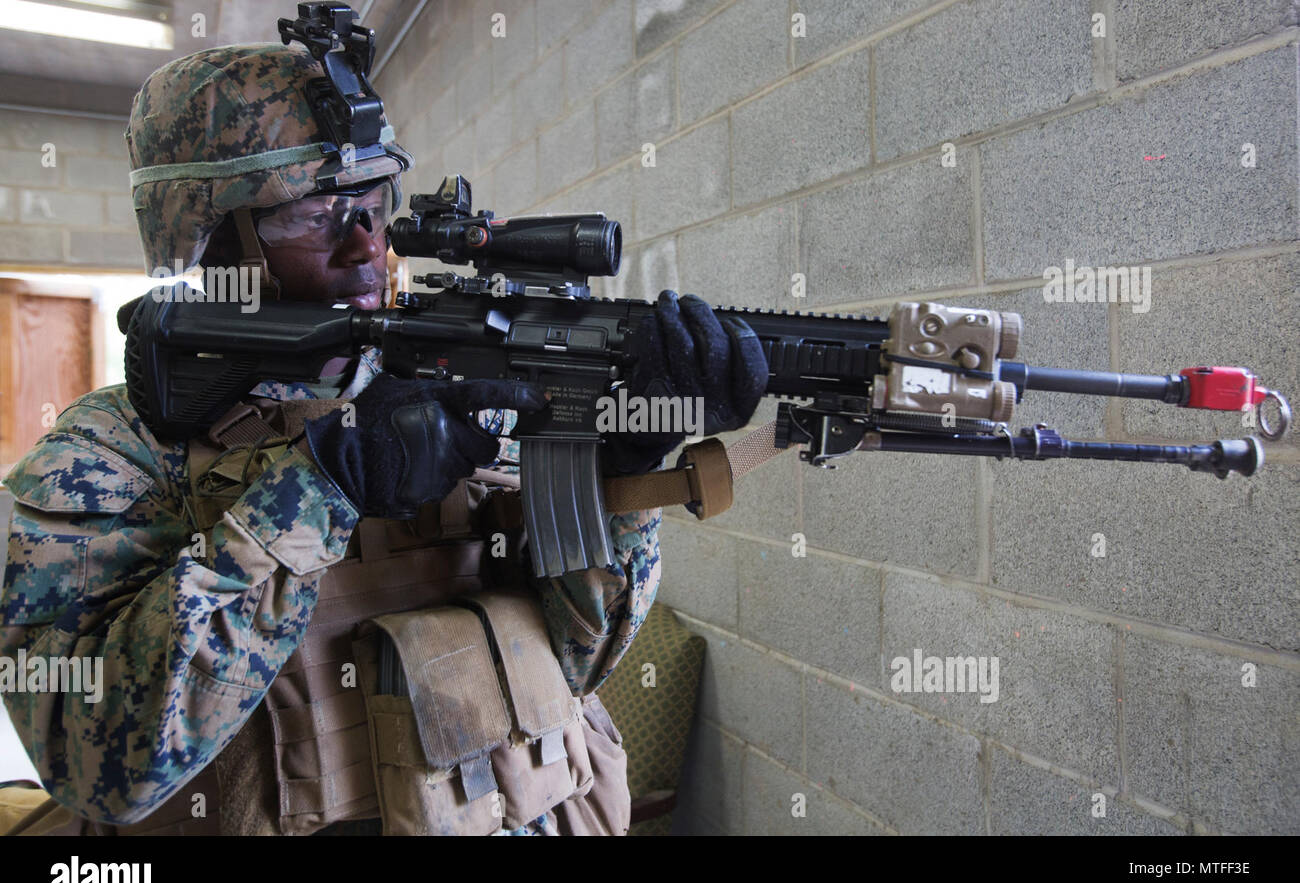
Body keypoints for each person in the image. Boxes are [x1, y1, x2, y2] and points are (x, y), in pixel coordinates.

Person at [0, 38, 765, 836]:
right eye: (312, 212)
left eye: (376, 201)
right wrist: (321, 486)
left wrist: (622, 472)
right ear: (206, 237)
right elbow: (98, 769)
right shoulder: (109, 454)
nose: (368, 242)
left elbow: (576, 665)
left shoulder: (464, 386)